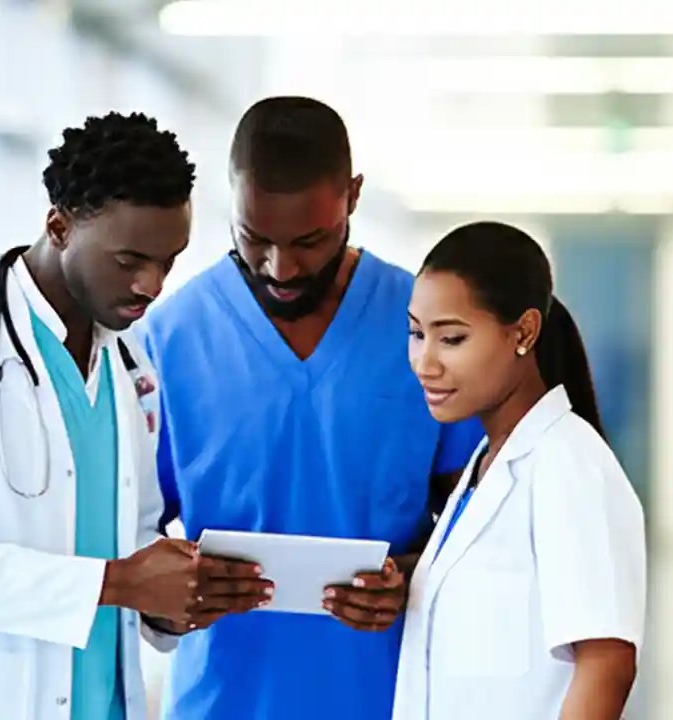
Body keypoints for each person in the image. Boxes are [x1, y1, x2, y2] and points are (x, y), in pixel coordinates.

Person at [0, 111, 268, 720]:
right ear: (59, 225)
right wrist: (119, 582)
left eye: (168, 260)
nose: (152, 285)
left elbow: (129, 537)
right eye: (130, 260)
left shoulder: (128, 368)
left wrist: (169, 596)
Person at [140, 96, 485, 720]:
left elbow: (480, 528)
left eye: (310, 240)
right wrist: (167, 598)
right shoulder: (168, 338)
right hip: (219, 699)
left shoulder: (423, 326)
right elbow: (130, 540)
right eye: (255, 238)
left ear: (352, 196)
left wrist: (410, 578)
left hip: (386, 697)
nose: (281, 267)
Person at [395, 221, 647, 719]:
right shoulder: (486, 462)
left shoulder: (569, 464)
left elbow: (606, 662)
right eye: (416, 333)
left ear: (524, 332)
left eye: (451, 338)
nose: (425, 362)